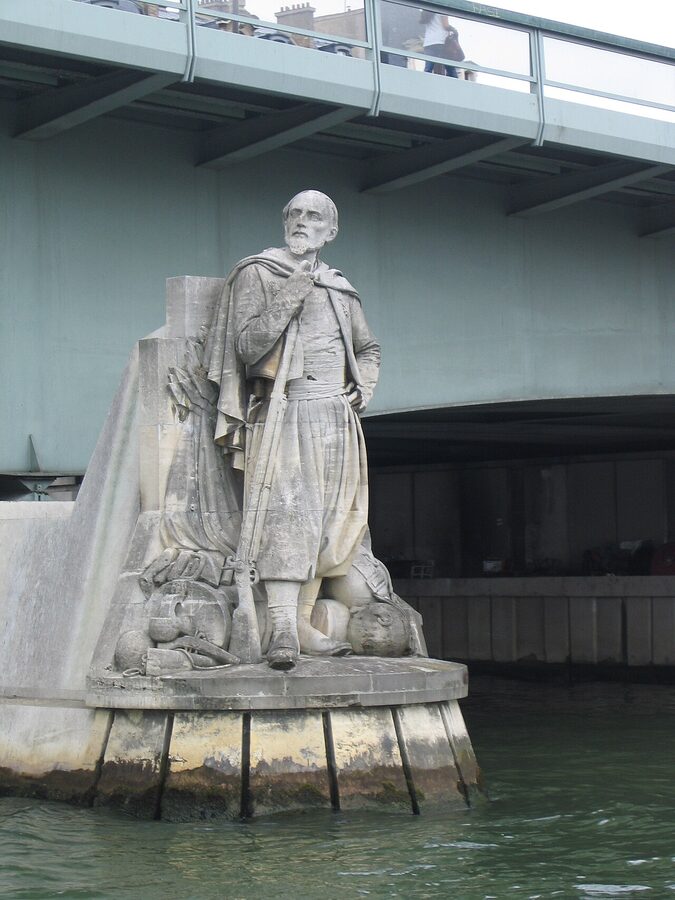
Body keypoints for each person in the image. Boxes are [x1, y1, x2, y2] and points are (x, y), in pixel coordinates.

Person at [207, 191, 381, 669]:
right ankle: (280, 627)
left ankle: (302, 621)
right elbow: (247, 346)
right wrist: (292, 291)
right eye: (296, 214)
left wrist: (363, 388)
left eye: (314, 216)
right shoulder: (259, 273)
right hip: (286, 411)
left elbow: (367, 349)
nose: (303, 222)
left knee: (331, 520)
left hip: (337, 419)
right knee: (288, 514)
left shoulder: (339, 286)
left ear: (331, 230)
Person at [420, 10, 459, 78]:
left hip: (429, 42)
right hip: (441, 41)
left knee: (428, 69)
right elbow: (445, 26)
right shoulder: (441, 8)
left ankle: (425, 84)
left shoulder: (426, 10)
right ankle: (454, 86)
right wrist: (454, 30)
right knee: (450, 70)